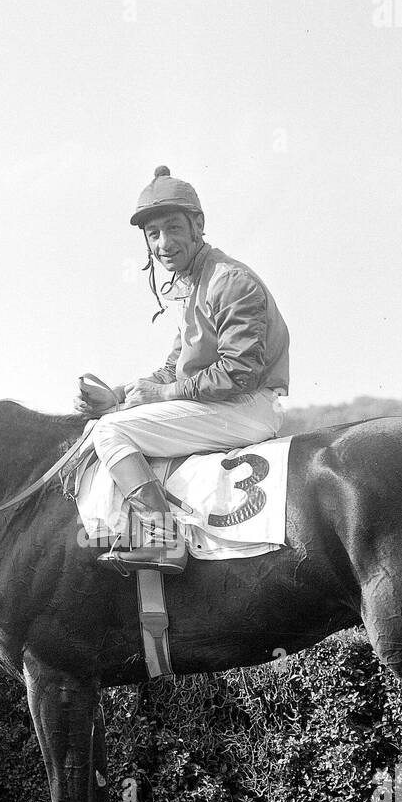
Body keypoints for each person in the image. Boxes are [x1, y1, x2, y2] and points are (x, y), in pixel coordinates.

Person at [75, 165, 290, 574]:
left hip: (247, 405)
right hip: (225, 404)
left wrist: (159, 396)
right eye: (153, 235)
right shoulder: (194, 285)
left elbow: (238, 372)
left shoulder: (230, 282)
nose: (163, 243)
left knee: (110, 430)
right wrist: (118, 396)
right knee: (106, 419)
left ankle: (165, 540)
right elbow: (175, 368)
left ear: (198, 225)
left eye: (173, 229)